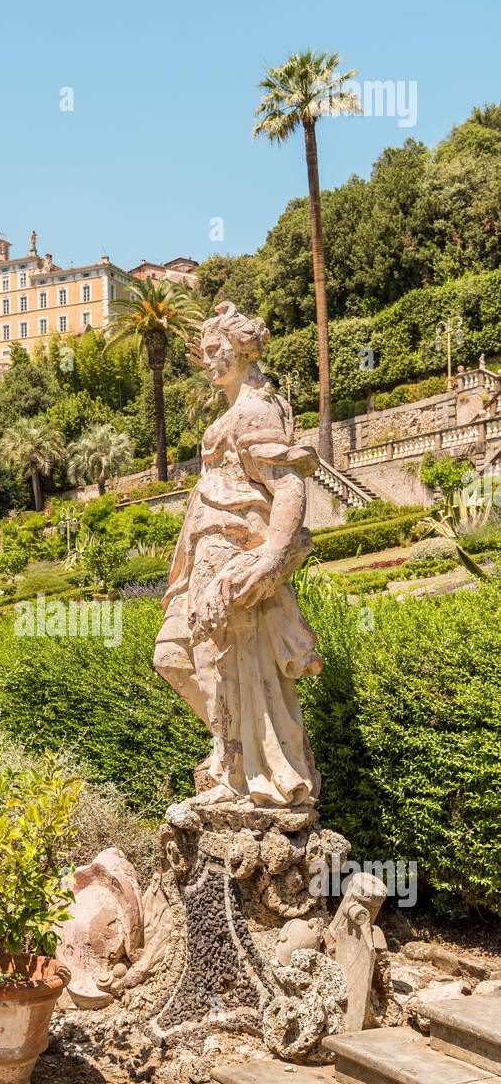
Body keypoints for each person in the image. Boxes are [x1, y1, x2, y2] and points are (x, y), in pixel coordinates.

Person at [153, 302, 322, 806]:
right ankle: (239, 752)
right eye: (203, 352)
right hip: (204, 552)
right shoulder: (229, 414)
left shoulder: (256, 409)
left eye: (215, 350)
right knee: (173, 655)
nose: (207, 361)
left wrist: (272, 555)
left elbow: (288, 484)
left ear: (240, 349)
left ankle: (238, 771)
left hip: (232, 551)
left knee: (215, 659)